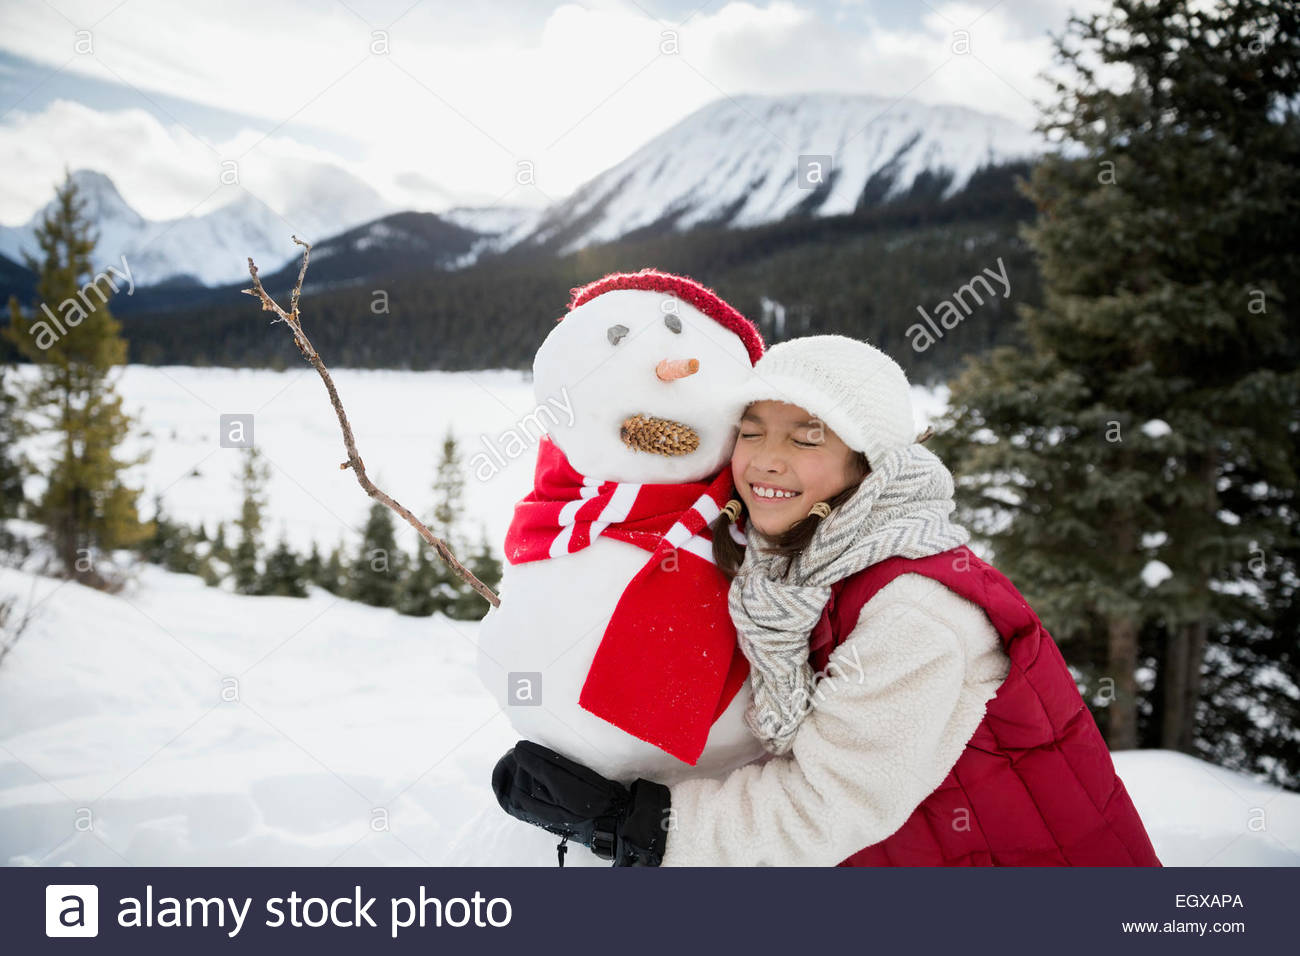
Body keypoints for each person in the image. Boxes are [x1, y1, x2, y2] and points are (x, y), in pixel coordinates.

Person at [493, 334, 1162, 867]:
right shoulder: (789, 567)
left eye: (807, 437)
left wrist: (630, 821)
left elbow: (823, 808)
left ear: (869, 462)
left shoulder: (915, 612)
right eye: (752, 431)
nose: (766, 460)